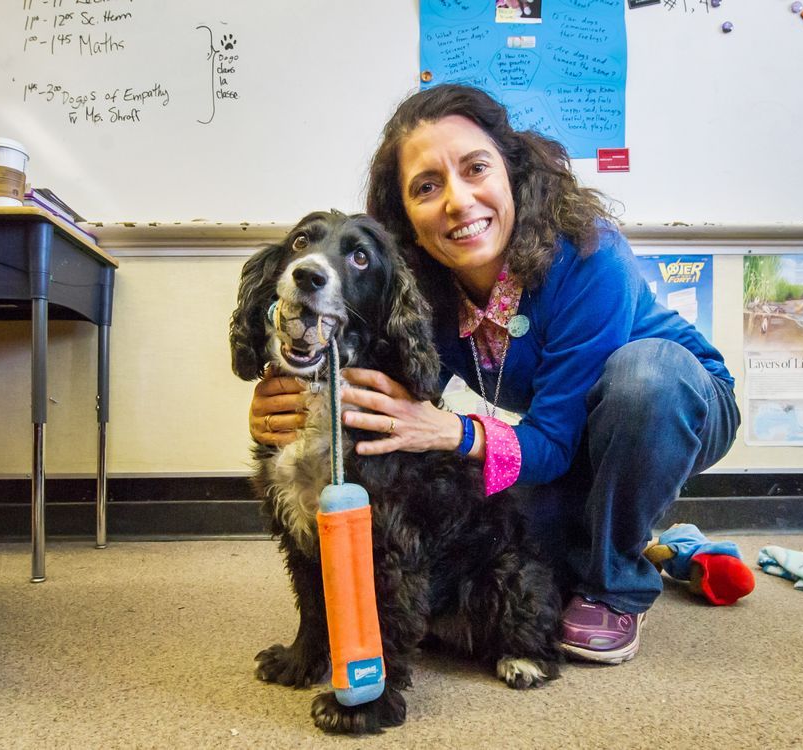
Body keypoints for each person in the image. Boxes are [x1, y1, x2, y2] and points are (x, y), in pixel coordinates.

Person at [249, 84, 740, 665]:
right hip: (540, 434)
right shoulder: (416, 285)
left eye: (475, 168)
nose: (457, 201)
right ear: (405, 213)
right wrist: (285, 400)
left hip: (669, 406)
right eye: (426, 187)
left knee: (647, 376)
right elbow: (369, 369)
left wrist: (451, 433)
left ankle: (617, 583)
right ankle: (633, 534)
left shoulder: (588, 256)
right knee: (510, 559)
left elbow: (556, 442)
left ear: (512, 171)